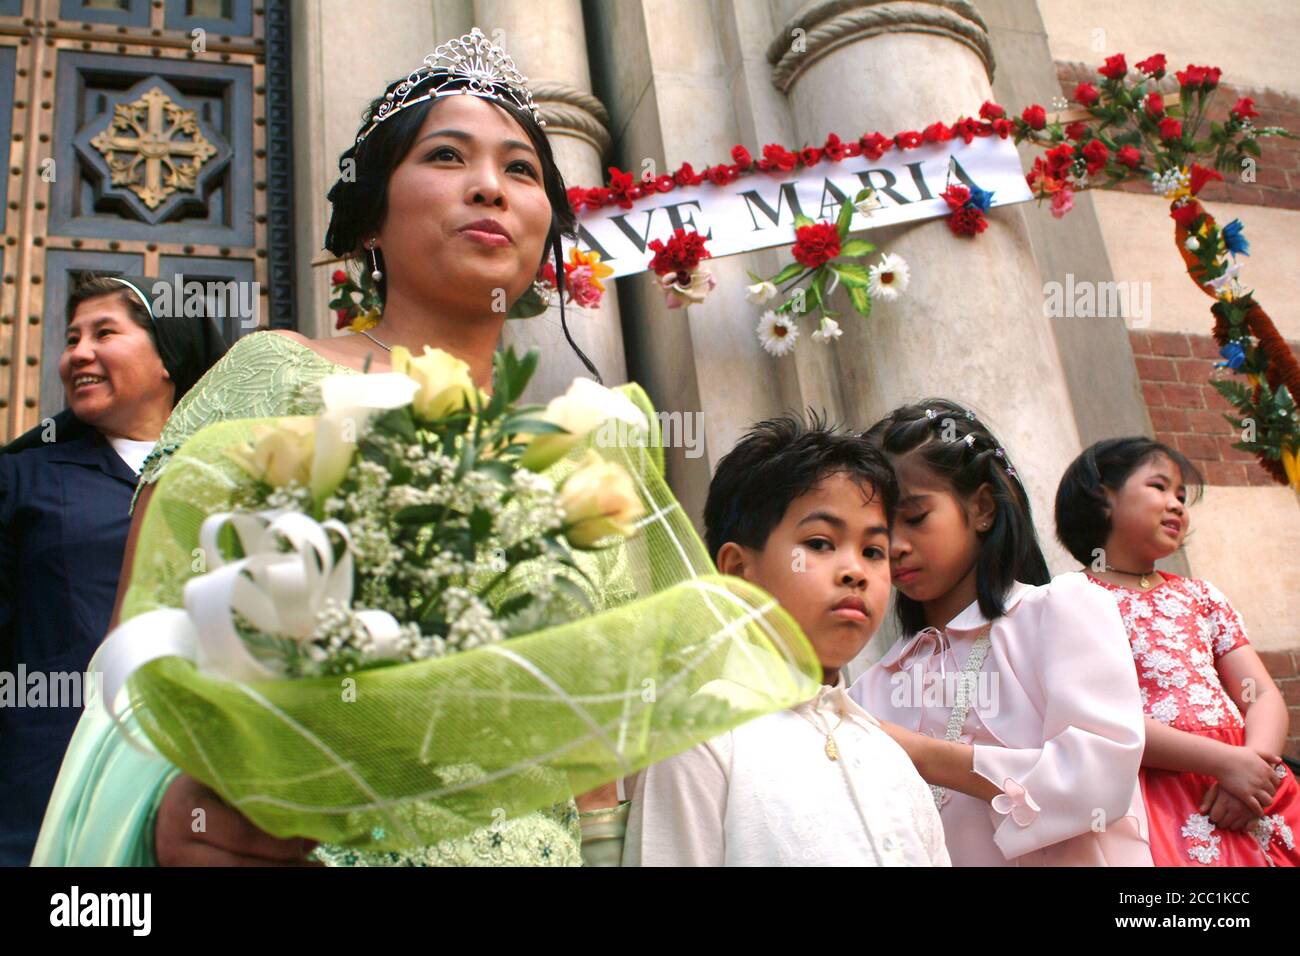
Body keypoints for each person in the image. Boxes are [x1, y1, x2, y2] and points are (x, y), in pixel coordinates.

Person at [35, 27, 792, 868]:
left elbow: (603, 763)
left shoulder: (588, 456)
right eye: (445, 156)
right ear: (368, 222)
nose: (489, 189)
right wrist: (191, 819)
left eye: (521, 170)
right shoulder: (277, 373)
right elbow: (148, 648)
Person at [623, 415, 951, 866]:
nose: (855, 570)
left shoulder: (888, 756)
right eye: (819, 543)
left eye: (873, 551)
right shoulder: (702, 737)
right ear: (739, 570)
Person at [850, 399, 1153, 866]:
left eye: (914, 517)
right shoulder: (870, 689)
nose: (895, 546)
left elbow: (1100, 779)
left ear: (983, 509)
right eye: (876, 532)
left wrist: (919, 753)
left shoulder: (1060, 611)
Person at [0, 275, 225, 865]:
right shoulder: (24, 480)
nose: (77, 353)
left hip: (204, 788)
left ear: (167, 359)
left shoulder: (235, 478)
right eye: (72, 338)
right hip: (49, 783)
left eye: (105, 333)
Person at [1056, 436, 1299, 866]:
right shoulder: (1072, 598)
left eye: (1182, 496)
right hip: (1154, 791)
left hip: (1249, 786)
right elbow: (1096, 719)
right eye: (1159, 487)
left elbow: (1259, 695)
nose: (1177, 504)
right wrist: (1225, 762)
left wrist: (1254, 769)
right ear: (1102, 495)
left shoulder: (1201, 596)